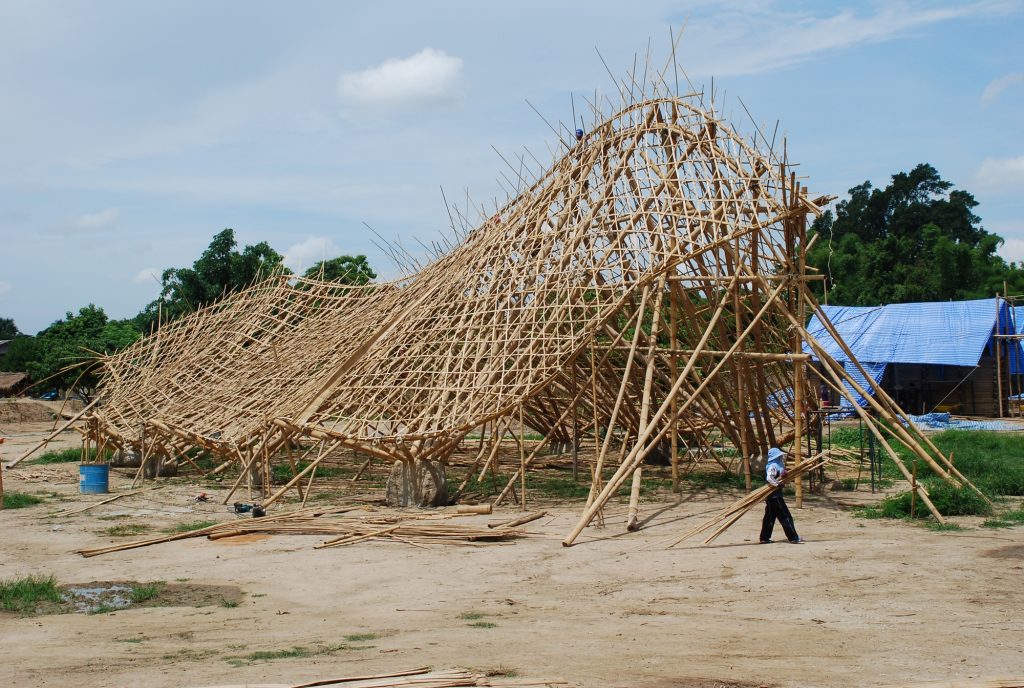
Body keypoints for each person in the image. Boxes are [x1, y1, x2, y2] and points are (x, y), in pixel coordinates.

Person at [759, 447, 803, 544]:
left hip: (772, 497)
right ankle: (793, 537)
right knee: (785, 516)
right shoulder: (773, 466)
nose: (781, 457)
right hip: (775, 497)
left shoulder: (777, 465)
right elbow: (769, 478)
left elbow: (780, 475)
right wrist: (778, 484)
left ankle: (764, 538)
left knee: (769, 518)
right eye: (779, 456)